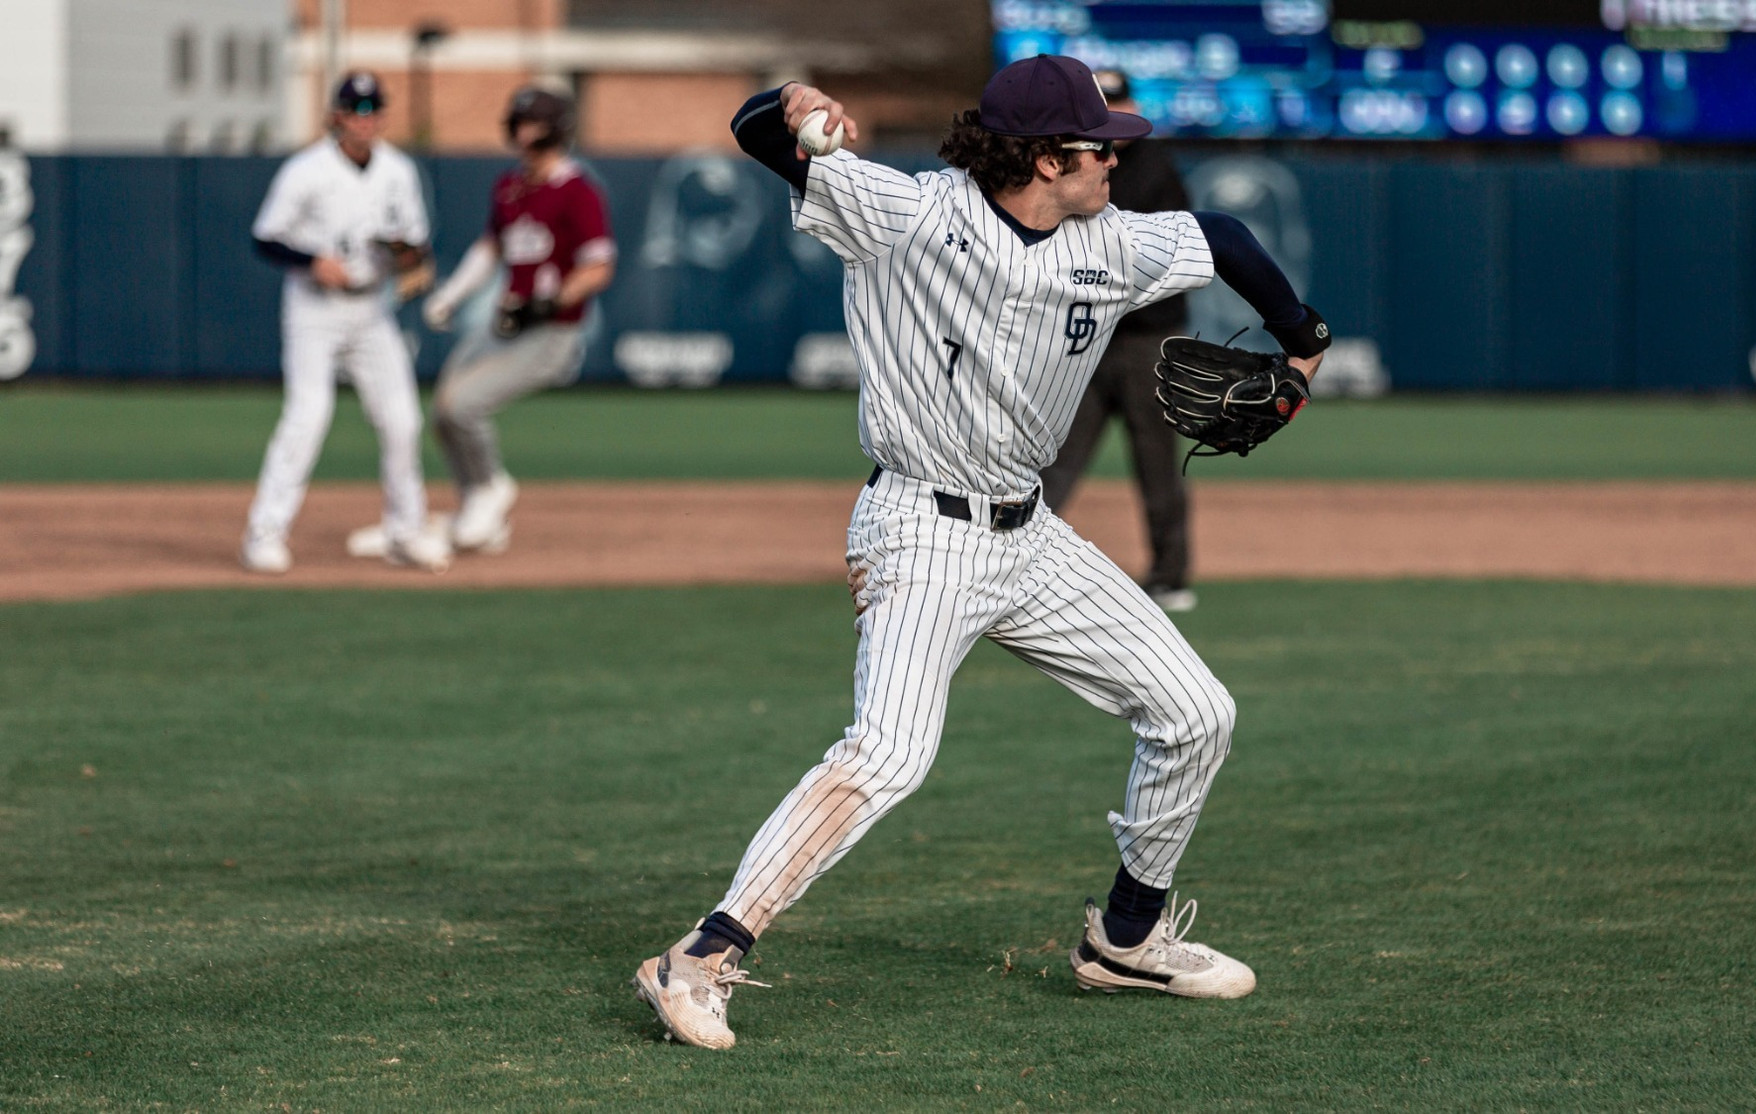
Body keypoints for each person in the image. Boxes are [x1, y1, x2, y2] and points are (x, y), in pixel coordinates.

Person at [633, 55, 1330, 1051]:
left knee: (1195, 714)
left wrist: (1302, 339)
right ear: (1046, 159)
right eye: (1100, 148)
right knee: (889, 753)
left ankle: (1126, 939)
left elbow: (1221, 238)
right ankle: (697, 957)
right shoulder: (906, 213)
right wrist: (794, 99)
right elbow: (756, 134)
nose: (1116, 162)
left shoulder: (1110, 240)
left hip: (1030, 535)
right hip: (919, 528)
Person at [388, 86, 615, 556]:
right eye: (519, 122)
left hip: (552, 331)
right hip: (505, 320)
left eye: (531, 123)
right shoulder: (510, 187)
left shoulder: (577, 191)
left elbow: (598, 266)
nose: (522, 132)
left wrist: (551, 302)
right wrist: (450, 295)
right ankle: (480, 509)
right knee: (444, 413)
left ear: (555, 130)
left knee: (463, 406)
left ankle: (492, 488)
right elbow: (491, 248)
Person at [241, 71, 449, 574]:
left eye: (375, 109)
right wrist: (312, 261)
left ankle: (405, 531)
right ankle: (264, 533)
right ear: (336, 116)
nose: (368, 119)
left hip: (372, 309)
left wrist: (409, 260)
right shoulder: (306, 170)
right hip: (315, 308)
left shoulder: (397, 171)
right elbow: (265, 237)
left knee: (402, 420)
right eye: (358, 110)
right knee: (308, 416)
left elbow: (416, 243)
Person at [1038, 69, 1198, 613]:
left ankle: (1171, 574)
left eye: (1120, 101)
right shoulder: (1074, 166)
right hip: (1085, 340)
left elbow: (1173, 255)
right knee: (1054, 456)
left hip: (1146, 343)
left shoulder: (1155, 169)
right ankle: (1014, 561)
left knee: (1157, 463)